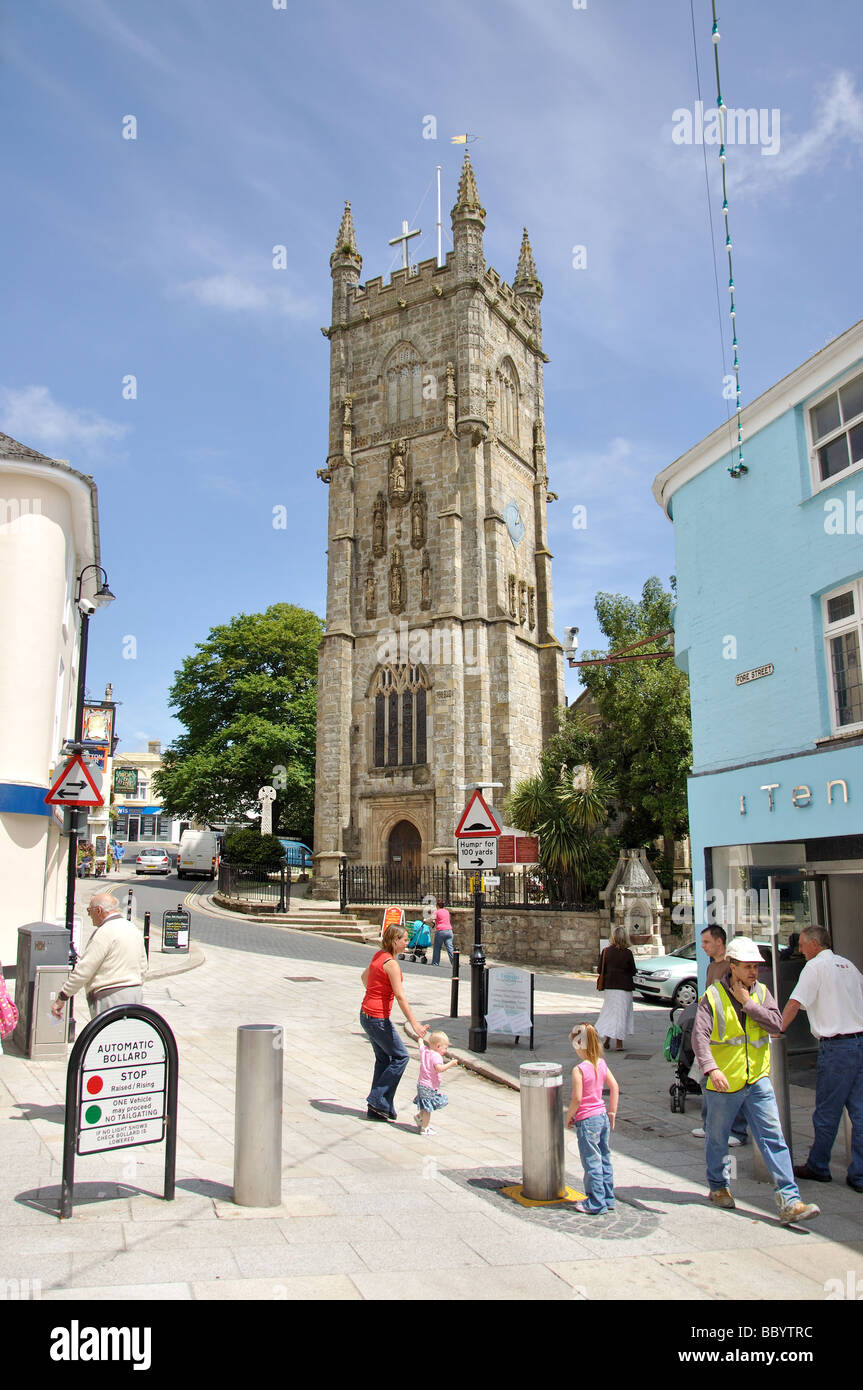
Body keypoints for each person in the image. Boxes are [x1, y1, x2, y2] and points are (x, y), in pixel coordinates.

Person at [692, 935, 819, 1224]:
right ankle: (718, 1185)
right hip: (724, 1082)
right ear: (732, 966)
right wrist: (712, 1069)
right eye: (748, 966)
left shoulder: (760, 993)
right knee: (717, 1137)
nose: (754, 972)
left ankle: (790, 1199)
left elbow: (776, 1024)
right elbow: (699, 1037)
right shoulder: (712, 996)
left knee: (774, 1138)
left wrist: (748, 1003)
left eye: (756, 967)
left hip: (758, 1079)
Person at [780, 925, 863, 1192]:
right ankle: (859, 1174)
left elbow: (794, 1003)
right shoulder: (848, 966)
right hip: (859, 1042)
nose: (800, 950)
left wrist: (777, 1029)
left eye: (803, 945)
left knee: (827, 1110)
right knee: (860, 1112)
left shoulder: (815, 967)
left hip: (837, 1048)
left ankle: (818, 1165)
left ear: (815, 944)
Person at [360, 922, 428, 1121]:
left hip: (366, 1014)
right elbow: (400, 996)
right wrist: (415, 1024)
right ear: (395, 940)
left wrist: (376, 991)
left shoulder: (378, 956)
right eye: (405, 939)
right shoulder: (391, 964)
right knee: (401, 1057)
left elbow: (364, 977)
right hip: (377, 1018)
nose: (407, 943)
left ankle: (378, 1108)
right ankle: (378, 1099)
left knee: (384, 1059)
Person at [692, 925, 748, 1147]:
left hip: (731, 1036)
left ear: (719, 942)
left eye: (706, 942)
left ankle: (737, 1130)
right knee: (709, 1081)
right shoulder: (711, 967)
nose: (703, 946)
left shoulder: (730, 968)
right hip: (713, 1034)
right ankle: (710, 1126)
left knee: (735, 1084)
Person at [50, 892, 147, 1021]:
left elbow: (84, 970)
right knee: (126, 1037)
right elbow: (143, 966)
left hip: (109, 998)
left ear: (99, 910)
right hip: (135, 995)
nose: (89, 915)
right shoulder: (132, 928)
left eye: (89, 911)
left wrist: (62, 997)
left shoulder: (104, 932)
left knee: (108, 1038)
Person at [565, 1023, 619, 1214]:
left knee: (591, 1162)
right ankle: (608, 1197)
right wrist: (612, 1112)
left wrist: (569, 1115)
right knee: (604, 1158)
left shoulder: (579, 1070)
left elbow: (577, 1099)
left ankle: (595, 1203)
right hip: (602, 1116)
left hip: (587, 1120)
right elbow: (614, 1087)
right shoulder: (601, 1064)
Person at [595, 926, 635, 1051]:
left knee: (611, 1012)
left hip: (610, 987)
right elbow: (633, 970)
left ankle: (607, 1038)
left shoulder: (606, 951)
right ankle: (619, 1043)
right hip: (624, 987)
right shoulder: (627, 953)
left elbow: (600, 969)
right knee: (621, 1014)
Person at [413, 1029, 458, 1135]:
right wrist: (451, 1064)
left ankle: (419, 1117)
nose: (446, 1051)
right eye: (445, 1048)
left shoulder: (425, 1051)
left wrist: (421, 1037)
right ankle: (424, 1128)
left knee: (425, 1103)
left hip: (421, 1084)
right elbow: (439, 1069)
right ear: (438, 1046)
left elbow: (420, 1043)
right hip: (429, 1086)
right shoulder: (436, 1056)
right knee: (429, 1108)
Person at [431, 900, 454, 967]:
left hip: (441, 931)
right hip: (449, 930)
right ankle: (454, 963)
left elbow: (431, 919)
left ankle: (435, 962)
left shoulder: (437, 912)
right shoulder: (447, 911)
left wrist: (426, 920)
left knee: (437, 947)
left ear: (437, 906)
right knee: (450, 948)